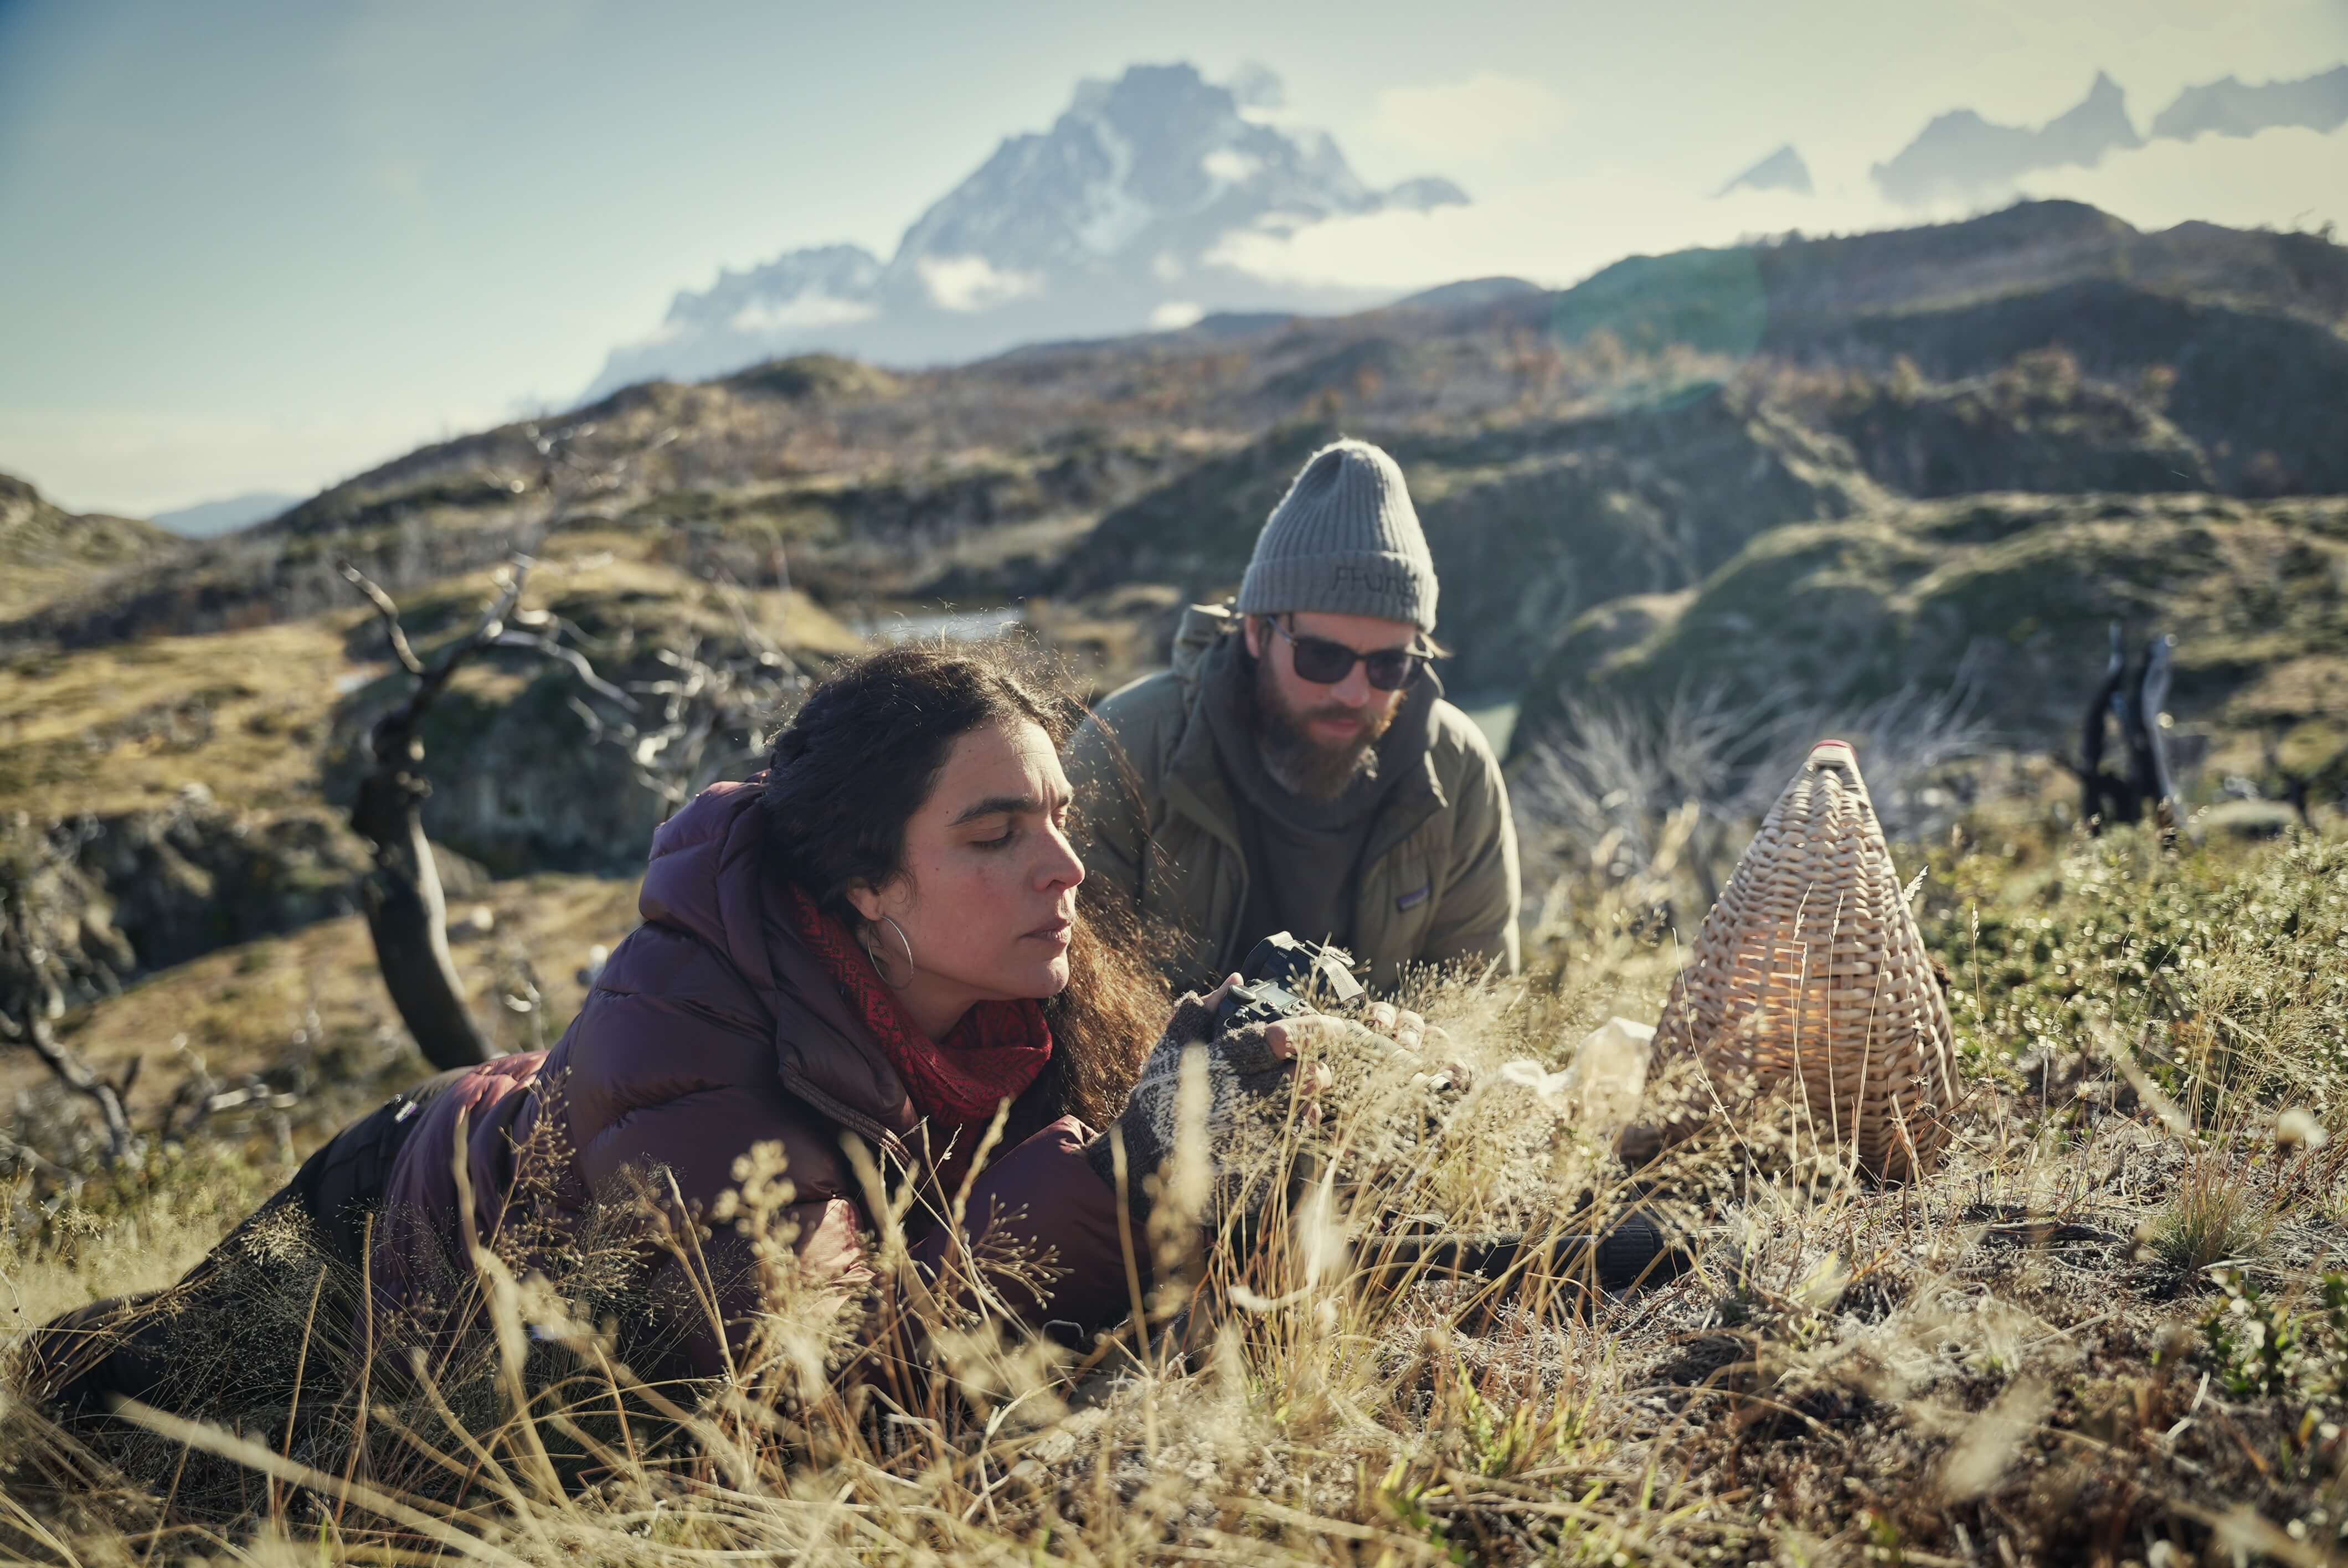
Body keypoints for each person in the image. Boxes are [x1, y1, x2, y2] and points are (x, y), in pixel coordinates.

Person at [28, 641, 1385, 1424]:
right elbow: (811, 1378)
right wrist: (1117, 1180)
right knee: (97, 1394)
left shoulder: (1023, 994)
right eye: (993, 834)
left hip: (527, 1131)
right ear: (863, 884)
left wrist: (1227, 1106)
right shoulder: (682, 1045)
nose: (1063, 869)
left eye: (1058, 820)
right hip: (390, 1220)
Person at [1069, 438, 1522, 994]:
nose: (1354, 693)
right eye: (1322, 657)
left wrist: (1410, 1039)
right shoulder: (1125, 749)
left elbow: (1476, 996)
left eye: (1389, 665)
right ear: (1256, 632)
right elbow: (1070, 998)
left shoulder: (1458, 769)